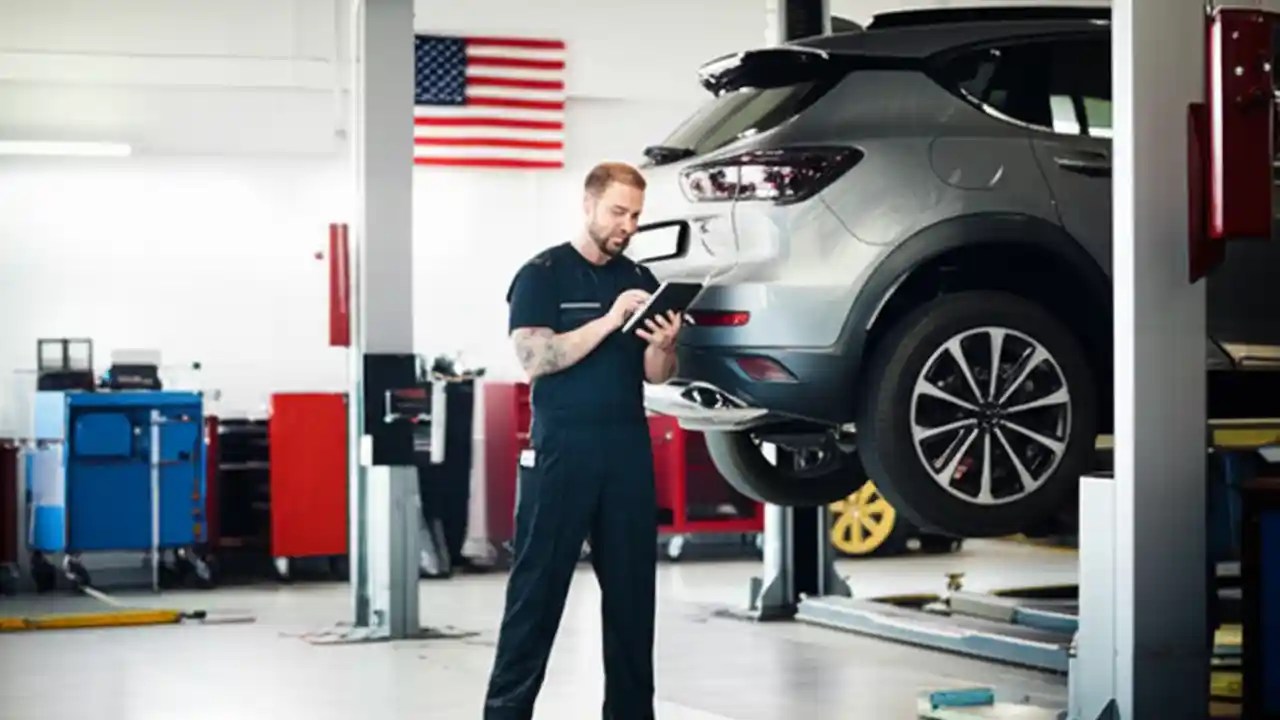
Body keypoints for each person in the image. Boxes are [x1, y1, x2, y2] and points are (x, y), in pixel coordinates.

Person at [483, 161, 682, 720]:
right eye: (619, 212)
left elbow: (655, 374)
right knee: (536, 594)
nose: (628, 226)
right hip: (560, 449)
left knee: (631, 598)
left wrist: (664, 343)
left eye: (636, 216)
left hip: (626, 448)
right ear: (589, 204)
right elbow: (533, 359)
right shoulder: (541, 275)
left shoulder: (641, 280)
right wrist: (608, 319)